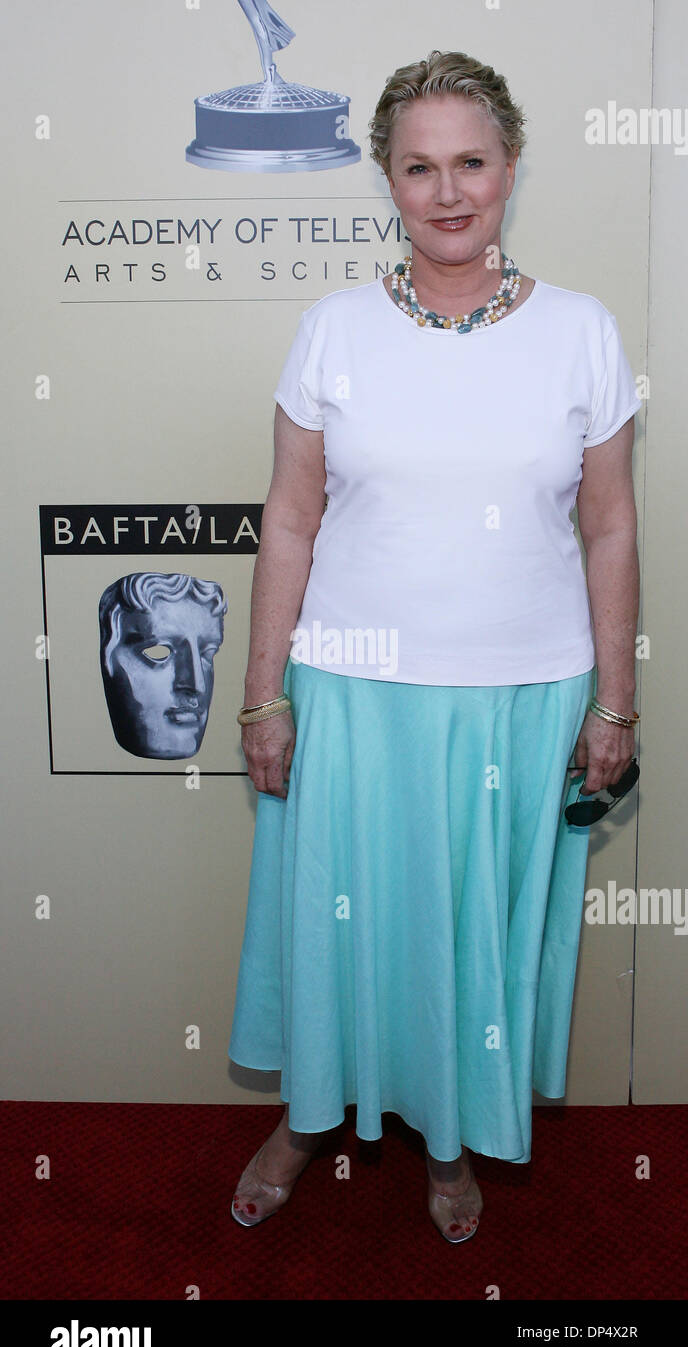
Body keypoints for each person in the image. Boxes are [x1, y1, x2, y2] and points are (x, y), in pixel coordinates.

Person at [227, 49, 642, 1244]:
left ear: (510, 166)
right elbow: (292, 514)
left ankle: (451, 1146)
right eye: (420, 167)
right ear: (388, 181)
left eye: (471, 162)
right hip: (352, 689)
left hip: (521, 694)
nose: (448, 191)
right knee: (334, 923)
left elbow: (608, 522)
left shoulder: (581, 330)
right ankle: (309, 1119)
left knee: (470, 941)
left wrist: (614, 704)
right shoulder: (331, 328)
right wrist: (264, 695)